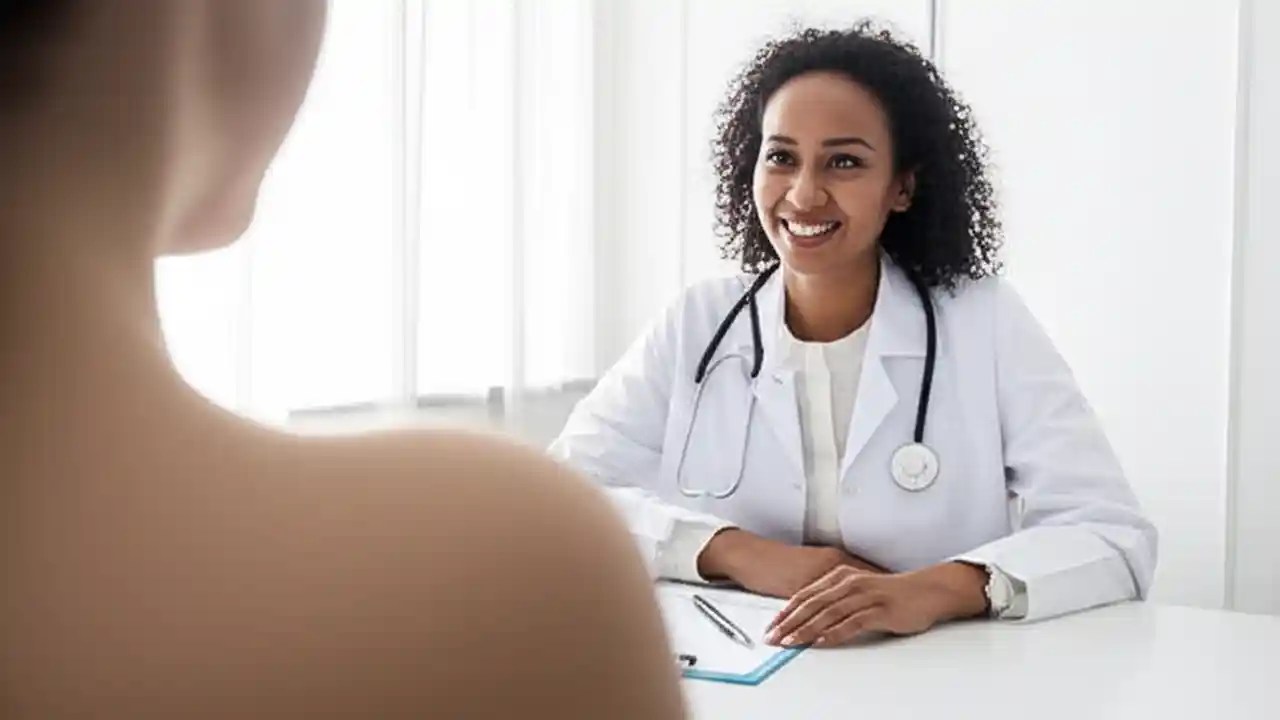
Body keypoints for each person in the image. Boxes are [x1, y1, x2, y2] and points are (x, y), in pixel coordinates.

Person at [0, 1, 685, 716]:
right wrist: (719, 545)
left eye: (821, 158)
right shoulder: (497, 571)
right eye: (780, 157)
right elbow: (593, 462)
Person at [551, 23, 1157, 649]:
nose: (805, 193)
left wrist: (933, 590)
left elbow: (1112, 533)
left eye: (845, 161)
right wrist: (738, 553)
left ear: (902, 187)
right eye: (781, 157)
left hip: (940, 671)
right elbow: (560, 499)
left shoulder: (985, 321)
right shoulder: (699, 322)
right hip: (743, 666)